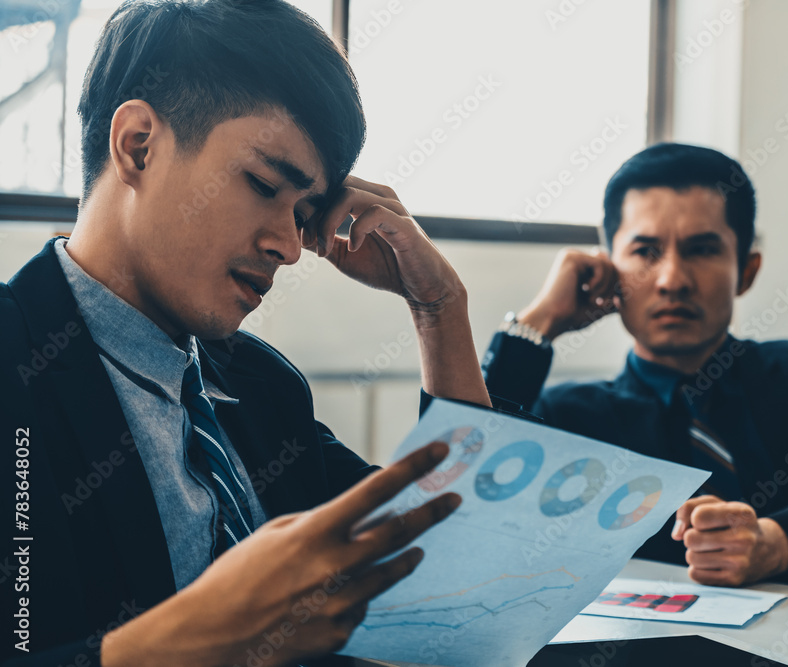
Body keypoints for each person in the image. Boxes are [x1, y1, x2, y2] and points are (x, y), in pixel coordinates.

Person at [0, 0, 492, 664]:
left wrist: (439, 306)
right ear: (138, 145)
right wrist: (185, 642)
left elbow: (458, 563)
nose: (289, 246)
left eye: (307, 213)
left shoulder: (262, 386)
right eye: (264, 183)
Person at [481, 142, 788, 602]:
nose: (672, 279)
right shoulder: (569, 418)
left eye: (702, 249)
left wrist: (775, 544)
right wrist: (537, 324)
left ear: (746, 272)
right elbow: (462, 489)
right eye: (646, 251)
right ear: (609, 269)